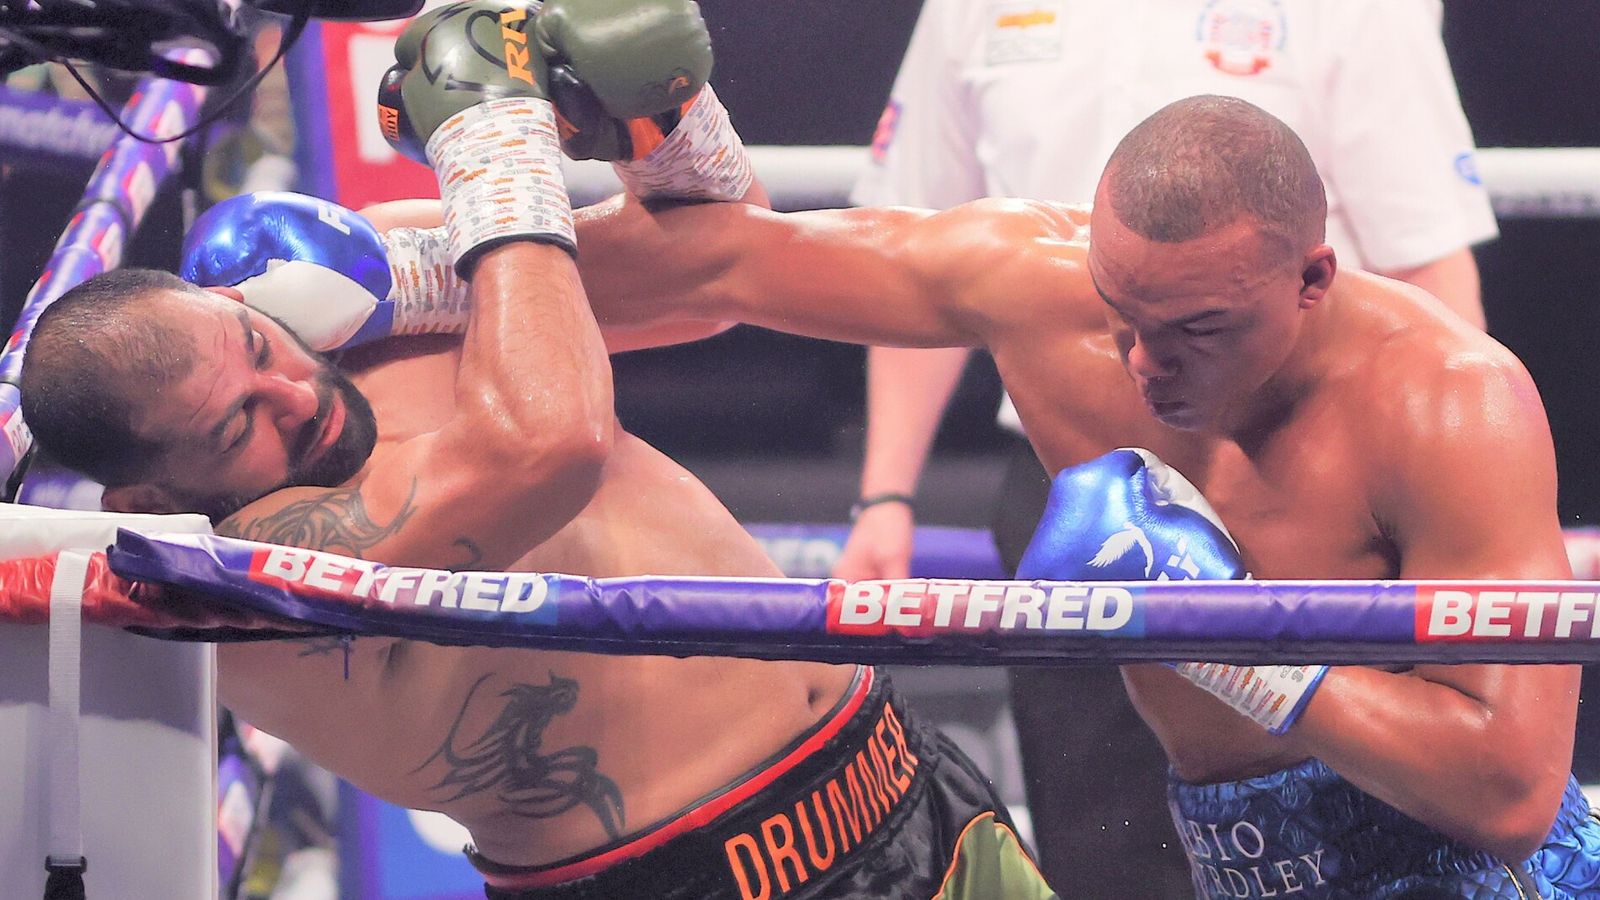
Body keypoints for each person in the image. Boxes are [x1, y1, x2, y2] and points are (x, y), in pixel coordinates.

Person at [15, 2, 1055, 898]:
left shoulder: (347, 310)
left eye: (254, 348)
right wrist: (492, 137)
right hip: (682, 870)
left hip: (895, 767)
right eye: (238, 425)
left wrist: (658, 114)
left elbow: (712, 265)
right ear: (152, 495)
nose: (291, 394)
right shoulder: (251, 586)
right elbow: (550, 446)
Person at [568, 94, 1600, 897]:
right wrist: (461, 229)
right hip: (1229, 853)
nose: (1145, 366)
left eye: (1198, 330)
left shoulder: (1448, 405)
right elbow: (724, 268)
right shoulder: (1032, 288)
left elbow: (1507, 791)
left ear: (1311, 280)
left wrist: (1221, 636)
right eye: (1122, 315)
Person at [839, 4, 1500, 890]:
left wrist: (1450, 484)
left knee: (1330, 829)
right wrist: (886, 493)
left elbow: (1429, 260)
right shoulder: (971, 8)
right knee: (1099, 841)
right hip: (1068, 482)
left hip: (1294, 486)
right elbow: (925, 260)